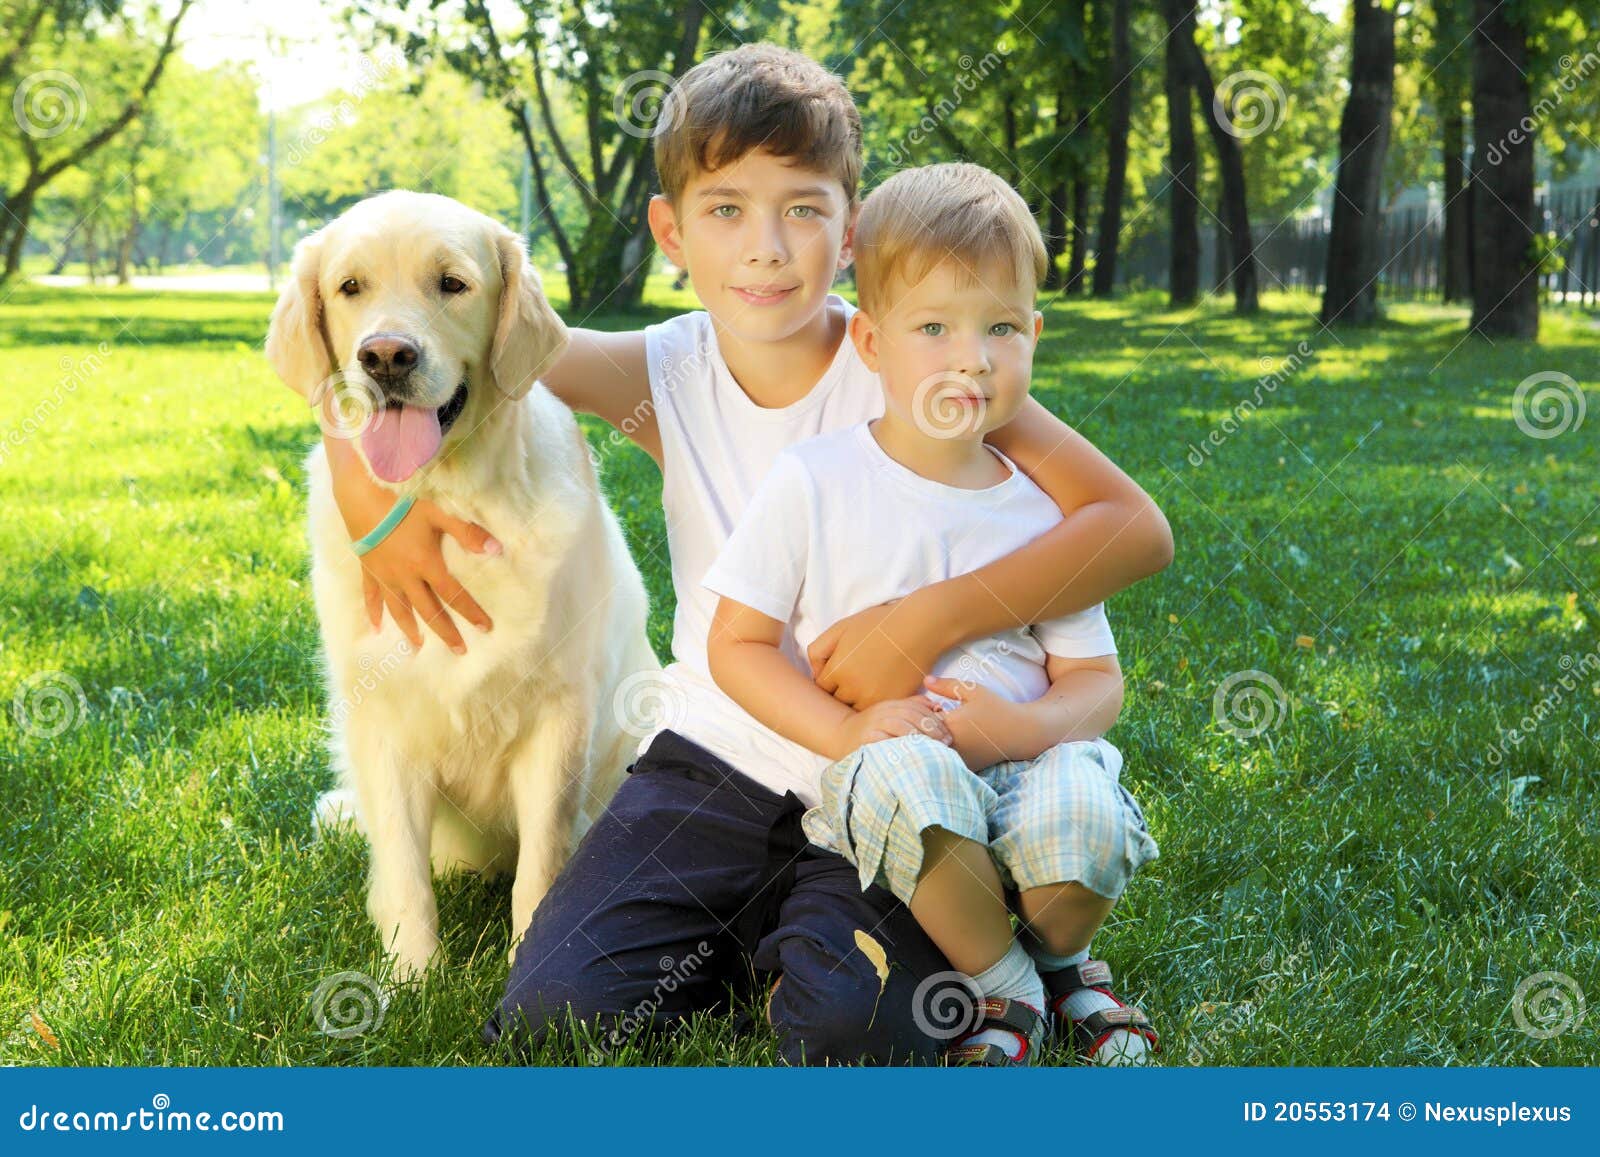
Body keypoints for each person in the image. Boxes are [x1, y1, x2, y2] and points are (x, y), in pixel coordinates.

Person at [319, 43, 1173, 1065]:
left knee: (851, 1027)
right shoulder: (662, 368)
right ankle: (760, 930)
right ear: (671, 231)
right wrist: (371, 497)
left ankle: (861, 940)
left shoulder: (923, 360)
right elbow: (440, 341)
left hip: (886, 776)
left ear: (850, 229)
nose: (765, 248)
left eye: (802, 209)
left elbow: (1131, 526)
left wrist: (934, 616)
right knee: (554, 1015)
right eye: (725, 209)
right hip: (710, 766)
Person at [702, 162, 1162, 1066]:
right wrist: (848, 726)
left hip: (1024, 768)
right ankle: (1013, 988)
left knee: (1089, 816)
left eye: (999, 327)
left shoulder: (1044, 512)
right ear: (871, 342)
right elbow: (739, 645)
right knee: (906, 776)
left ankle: (1064, 955)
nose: (971, 357)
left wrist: (1023, 726)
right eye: (933, 328)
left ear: (1034, 334)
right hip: (897, 780)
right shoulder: (816, 481)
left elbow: (1096, 681)